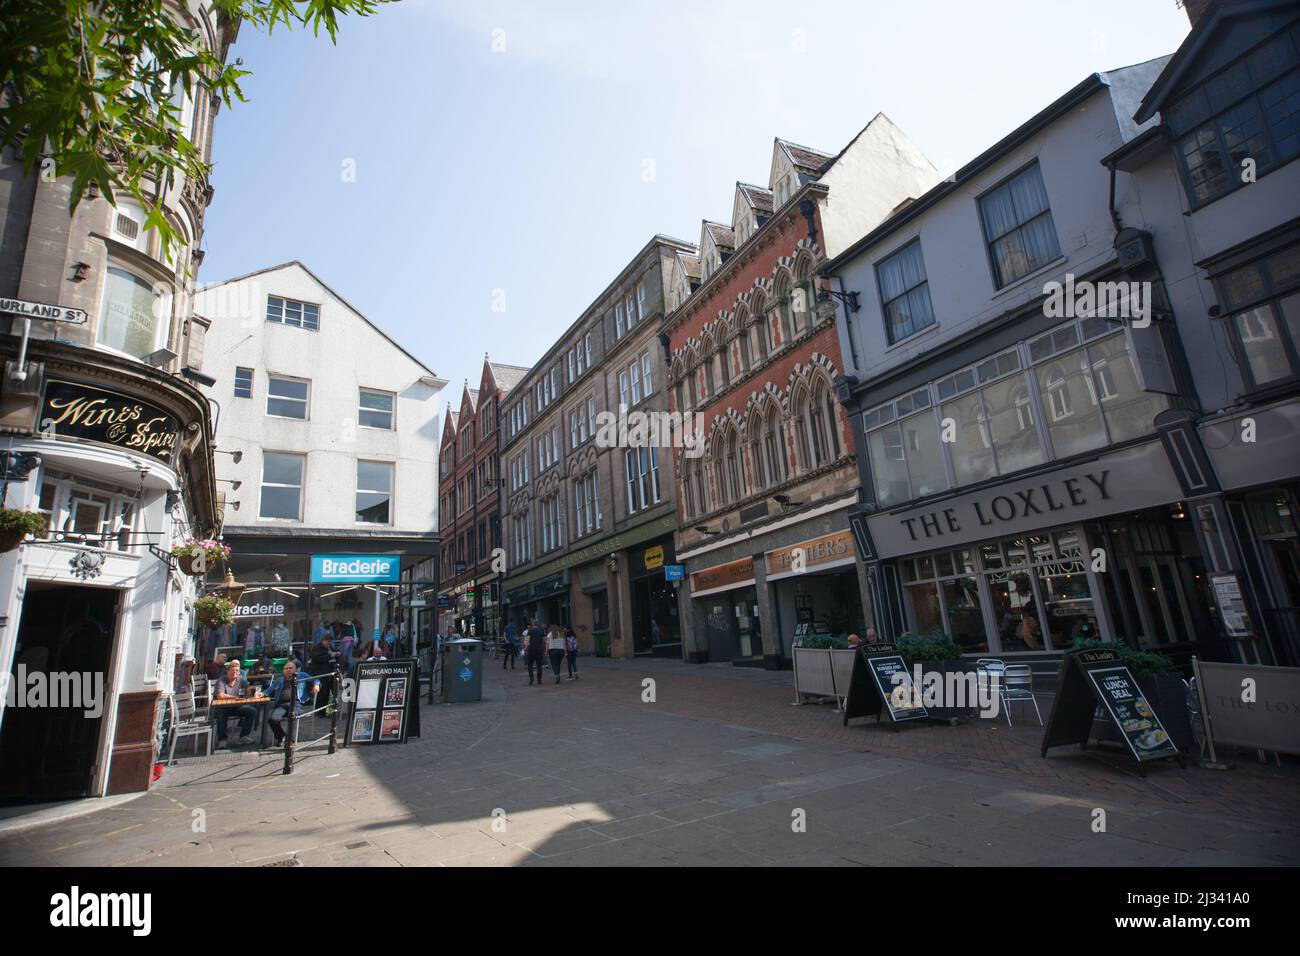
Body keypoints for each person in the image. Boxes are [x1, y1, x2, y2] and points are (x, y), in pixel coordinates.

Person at [265, 659, 320, 748]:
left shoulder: (302, 676)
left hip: (296, 704)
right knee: (273, 719)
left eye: (290, 668)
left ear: (295, 670)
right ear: (283, 670)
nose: (288, 670)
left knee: (292, 715)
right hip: (281, 705)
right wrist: (260, 693)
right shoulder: (279, 680)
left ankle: (290, 741)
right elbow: (268, 691)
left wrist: (316, 685)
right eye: (286, 668)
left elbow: (315, 679)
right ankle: (281, 736)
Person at [212, 659, 258, 747]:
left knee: (252, 711)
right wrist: (235, 697)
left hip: (236, 708)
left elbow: (249, 691)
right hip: (222, 708)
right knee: (221, 713)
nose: (235, 672)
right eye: (233, 670)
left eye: (237, 670)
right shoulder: (221, 681)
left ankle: (243, 736)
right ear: (227, 671)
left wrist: (255, 693)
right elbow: (220, 696)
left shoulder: (241, 681)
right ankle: (222, 739)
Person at [524, 619, 547, 686]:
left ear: (533, 625)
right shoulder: (541, 631)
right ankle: (539, 680)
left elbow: (527, 640)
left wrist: (525, 649)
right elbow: (544, 641)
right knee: (539, 665)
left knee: (530, 664)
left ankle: (531, 678)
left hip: (531, 649)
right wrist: (544, 648)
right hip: (539, 649)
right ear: (538, 625)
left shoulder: (530, 631)